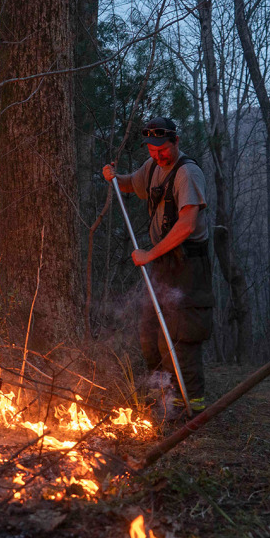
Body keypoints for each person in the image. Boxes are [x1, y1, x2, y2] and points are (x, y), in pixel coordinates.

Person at [102, 117, 214, 425]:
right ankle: (167, 399)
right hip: (162, 264)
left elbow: (188, 225)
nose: (157, 154)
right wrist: (113, 176)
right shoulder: (152, 167)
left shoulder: (187, 173)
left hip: (188, 265)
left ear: (176, 142)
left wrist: (149, 253)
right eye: (151, 149)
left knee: (179, 335)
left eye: (162, 149)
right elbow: (129, 184)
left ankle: (194, 410)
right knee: (150, 335)